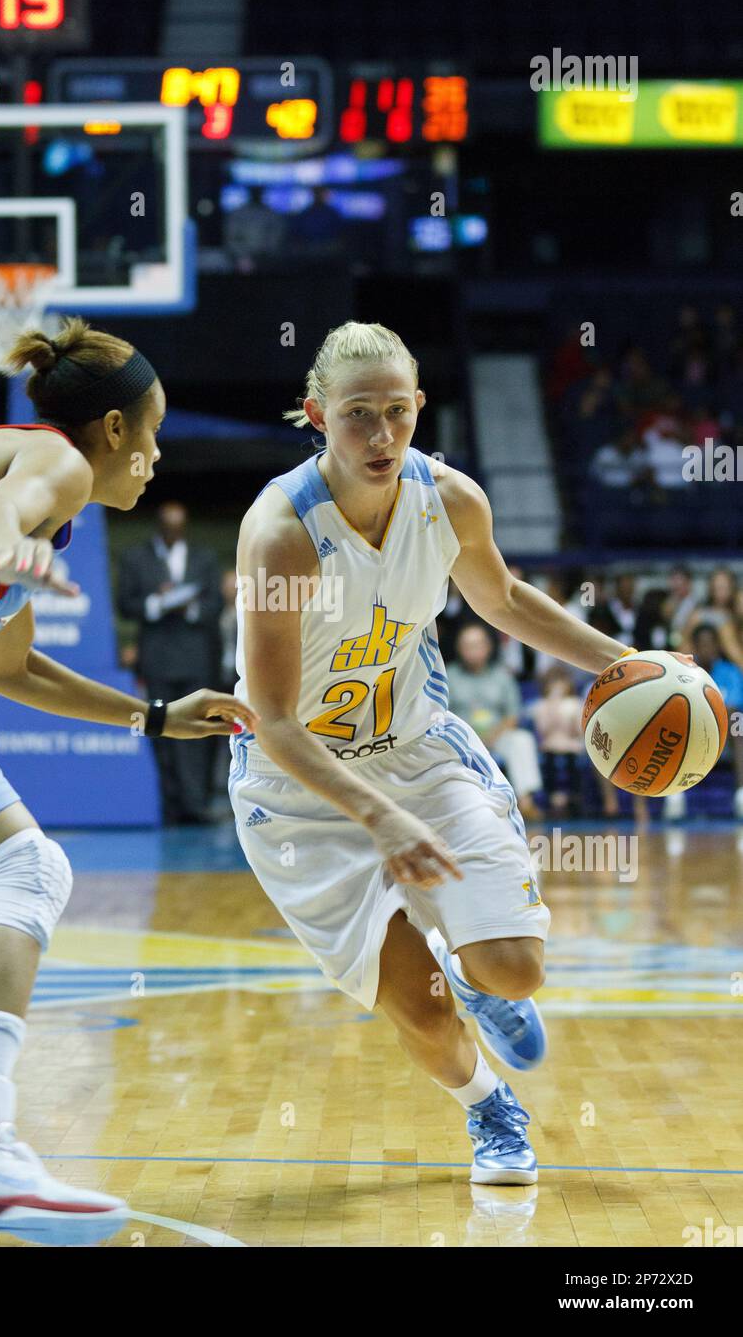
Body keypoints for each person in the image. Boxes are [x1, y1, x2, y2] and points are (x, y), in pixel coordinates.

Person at [0, 318, 256, 1244]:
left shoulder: (42, 513)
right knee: (23, 869)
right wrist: (4, 542)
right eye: (150, 435)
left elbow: (10, 673)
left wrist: (152, 716)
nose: (153, 458)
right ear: (111, 429)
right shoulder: (52, 465)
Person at [228, 320, 641, 1186]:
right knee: (418, 1006)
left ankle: (482, 981)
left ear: (419, 407)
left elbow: (503, 600)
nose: (380, 437)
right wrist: (374, 818)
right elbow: (270, 716)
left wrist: (625, 664)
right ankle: (490, 1108)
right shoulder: (280, 535)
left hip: (418, 752)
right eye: (355, 416)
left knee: (514, 968)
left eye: (396, 412)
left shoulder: (449, 499)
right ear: (315, 415)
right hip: (297, 788)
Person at [117, 502, 224, 823]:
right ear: (159, 526)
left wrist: (187, 606)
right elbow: (125, 604)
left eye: (179, 525)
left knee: (199, 730)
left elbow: (214, 605)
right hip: (157, 658)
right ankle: (170, 806)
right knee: (160, 729)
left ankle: (197, 804)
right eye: (168, 525)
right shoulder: (135, 558)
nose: (173, 531)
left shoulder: (204, 558)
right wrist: (158, 603)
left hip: (197, 659)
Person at [446, 623, 544, 823]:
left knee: (522, 739)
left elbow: (513, 715)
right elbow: (440, 713)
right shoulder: (449, 675)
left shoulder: (502, 676)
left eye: (476, 645)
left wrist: (493, 735)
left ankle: (525, 802)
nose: (472, 650)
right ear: (459, 648)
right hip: (460, 738)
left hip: (497, 736)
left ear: (487, 647)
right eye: (467, 645)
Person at [666, 623, 743, 821]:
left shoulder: (730, 671)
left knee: (738, 725)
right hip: (694, 730)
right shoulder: (687, 672)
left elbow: (733, 708)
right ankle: (674, 792)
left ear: (717, 646)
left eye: (710, 644)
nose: (706, 649)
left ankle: (741, 793)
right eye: (702, 644)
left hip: (723, 732)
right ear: (695, 647)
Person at [531, 667, 584, 818]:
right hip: (550, 744)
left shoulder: (574, 703)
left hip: (570, 744)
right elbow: (543, 730)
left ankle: (573, 797)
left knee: (572, 762)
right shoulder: (541, 705)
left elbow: (578, 731)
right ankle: (552, 798)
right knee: (549, 763)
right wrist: (552, 709)